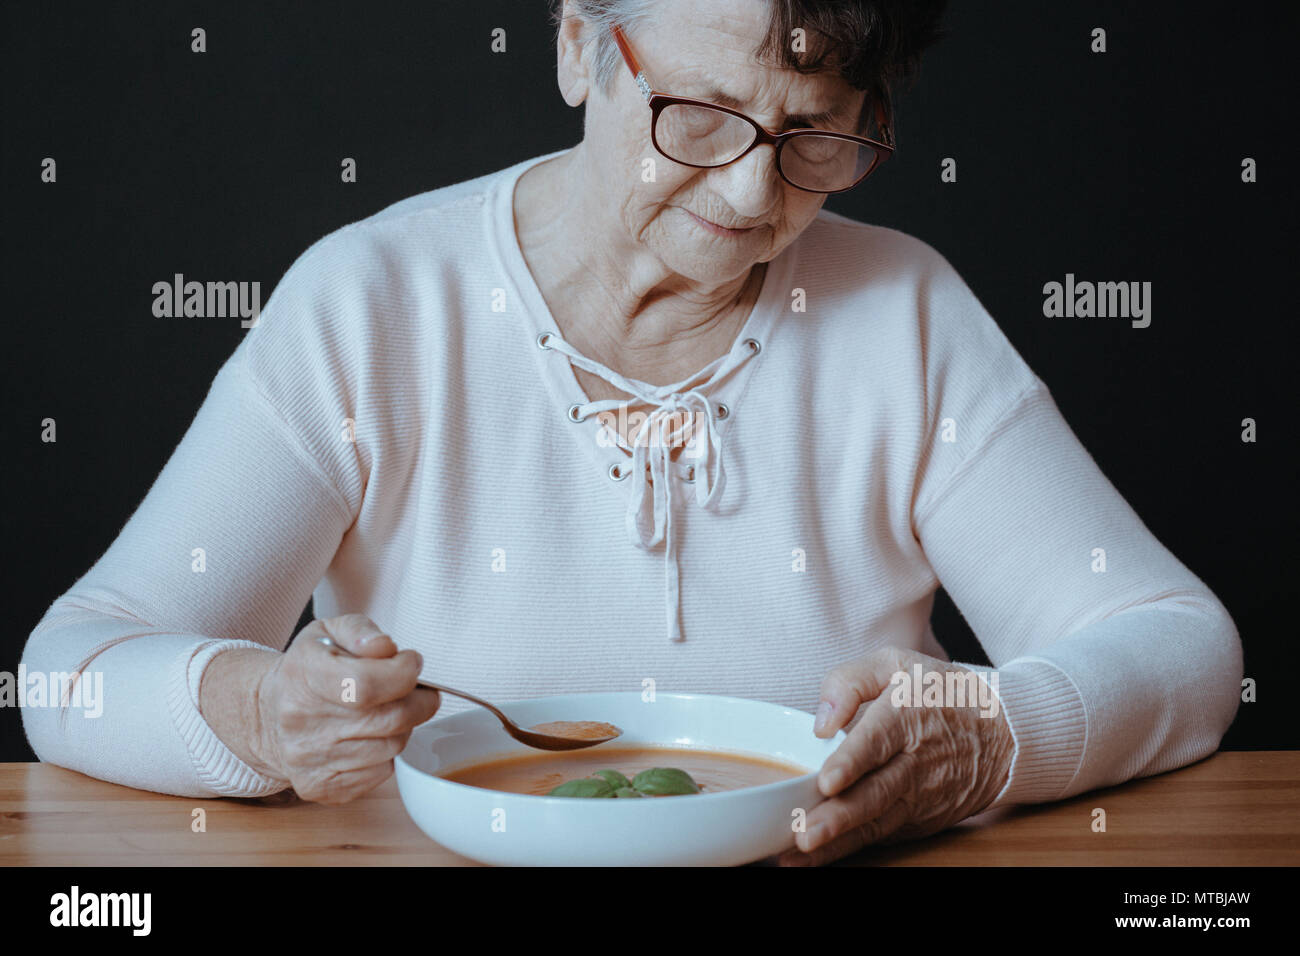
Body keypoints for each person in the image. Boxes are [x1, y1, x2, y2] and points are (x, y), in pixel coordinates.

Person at [21, 0, 1241, 866]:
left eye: (815, 133)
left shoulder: (902, 311)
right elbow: (66, 668)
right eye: (699, 113)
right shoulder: (374, 302)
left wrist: (984, 740)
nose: (751, 197)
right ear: (574, 45)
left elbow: (1182, 647)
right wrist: (260, 712)